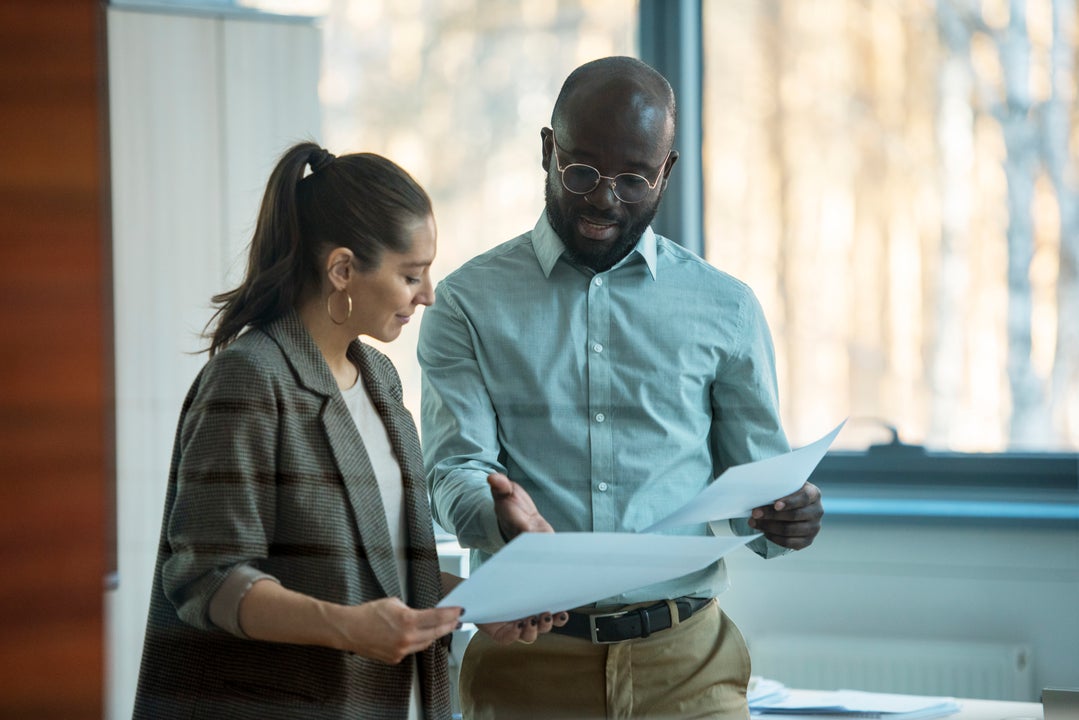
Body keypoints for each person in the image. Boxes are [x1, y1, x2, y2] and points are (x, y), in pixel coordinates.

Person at [417, 57, 824, 719]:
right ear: (547, 150)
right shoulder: (466, 303)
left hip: (688, 668)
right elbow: (453, 471)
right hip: (526, 667)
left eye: (633, 178)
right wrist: (494, 515)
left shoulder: (725, 307)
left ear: (666, 172)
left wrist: (787, 519)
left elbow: (760, 492)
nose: (604, 199)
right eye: (581, 171)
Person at [132, 142, 563, 720]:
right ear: (342, 269)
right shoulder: (249, 379)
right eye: (412, 274)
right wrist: (347, 627)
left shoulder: (379, 378)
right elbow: (206, 580)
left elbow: (382, 566)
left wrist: (476, 602)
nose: (428, 295)